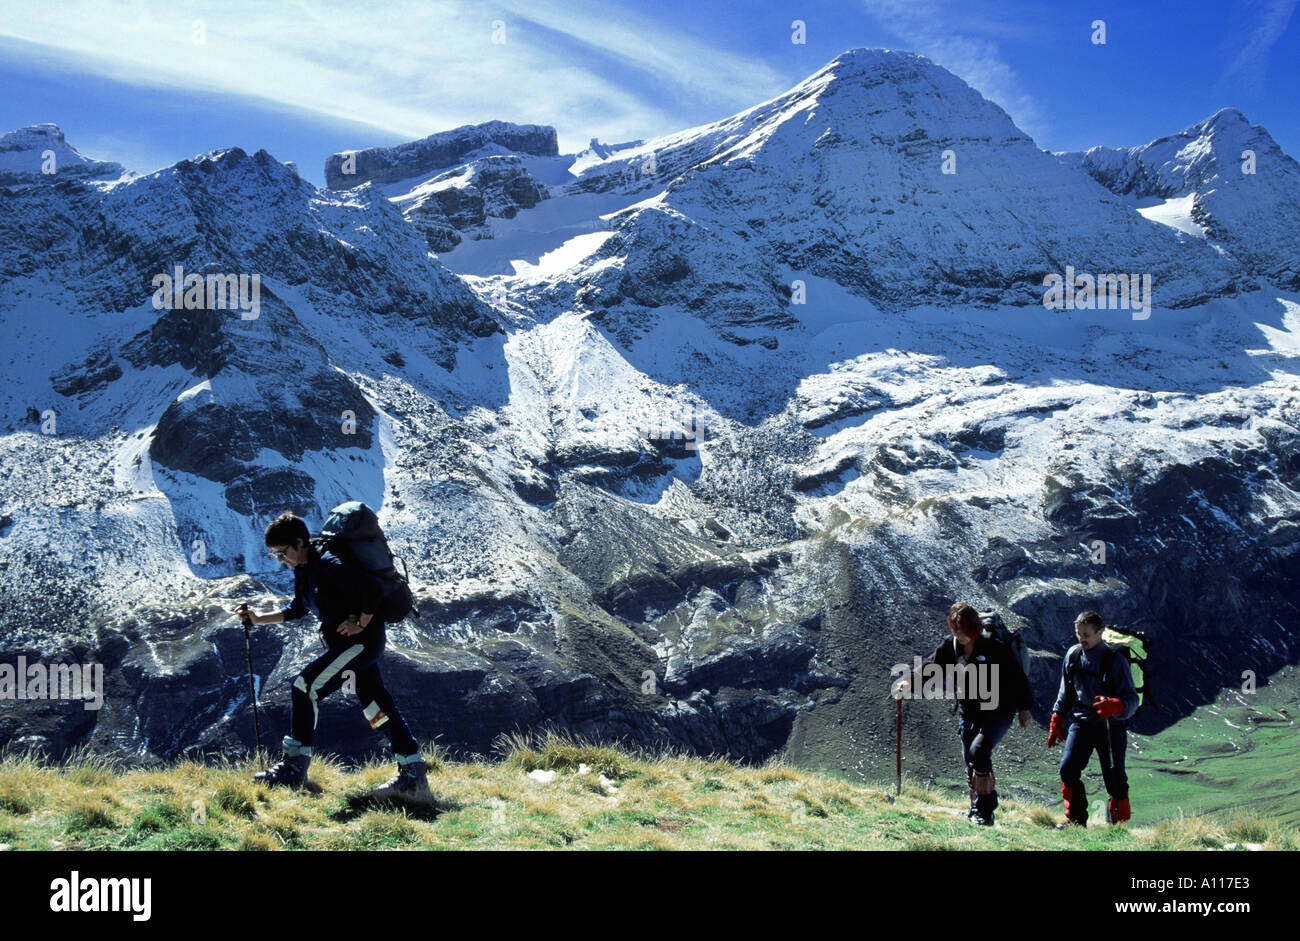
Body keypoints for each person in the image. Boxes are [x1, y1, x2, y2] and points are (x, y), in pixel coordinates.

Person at [231, 510, 430, 801]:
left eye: (282, 552)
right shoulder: (304, 569)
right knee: (375, 704)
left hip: (360, 643)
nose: (281, 559)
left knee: (304, 687)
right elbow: (298, 608)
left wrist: (360, 622)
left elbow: (371, 589)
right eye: (275, 555)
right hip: (346, 646)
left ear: (300, 542)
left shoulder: (328, 563)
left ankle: (293, 767)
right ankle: (412, 773)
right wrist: (256, 618)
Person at [896, 602, 1034, 826]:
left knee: (979, 752)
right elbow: (932, 666)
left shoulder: (994, 648)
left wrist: (1024, 709)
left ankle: (985, 811)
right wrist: (908, 682)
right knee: (972, 762)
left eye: (964, 631)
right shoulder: (951, 647)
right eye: (956, 629)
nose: (960, 636)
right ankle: (975, 808)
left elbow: (1017, 679)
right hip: (969, 711)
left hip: (998, 711)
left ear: (975, 629)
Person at [1047, 610, 1139, 827]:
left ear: (1100, 633)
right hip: (1082, 723)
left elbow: (1132, 700)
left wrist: (1116, 706)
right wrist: (1056, 718)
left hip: (1110, 726)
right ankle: (1075, 821)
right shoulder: (1073, 655)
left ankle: (1118, 828)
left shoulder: (1115, 660)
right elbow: (1066, 693)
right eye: (1079, 634)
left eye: (1086, 634)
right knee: (1068, 770)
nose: (1082, 639)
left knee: (1115, 780)